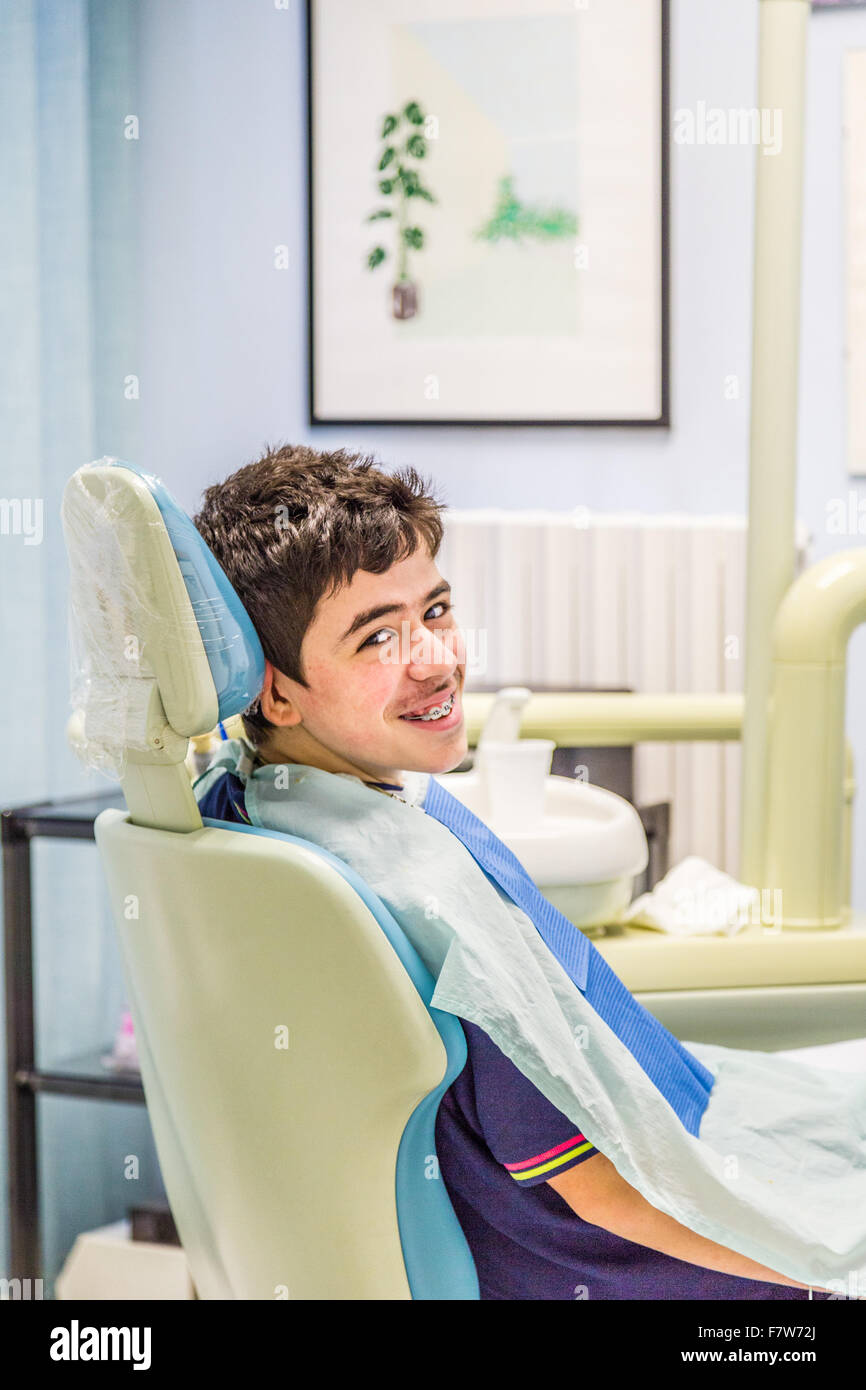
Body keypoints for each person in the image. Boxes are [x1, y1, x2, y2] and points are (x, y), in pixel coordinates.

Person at [193, 442, 827, 1301]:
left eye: (438, 609)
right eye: (377, 636)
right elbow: (603, 1191)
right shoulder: (421, 896)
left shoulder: (248, 808)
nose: (436, 659)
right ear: (274, 694)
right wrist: (826, 1273)